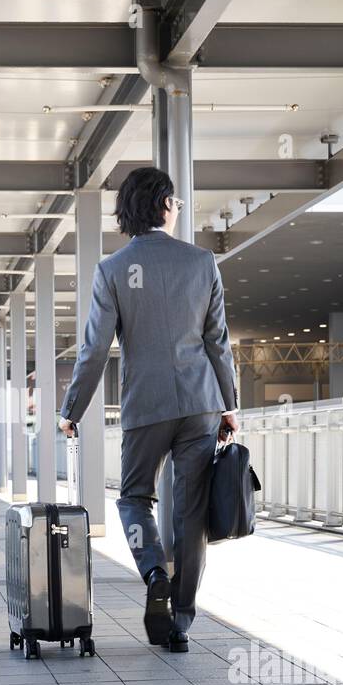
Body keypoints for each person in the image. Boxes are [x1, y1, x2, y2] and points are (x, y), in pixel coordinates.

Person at [58, 166, 237, 654]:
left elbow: (94, 350)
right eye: (176, 203)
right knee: (192, 511)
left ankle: (154, 570)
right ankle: (180, 619)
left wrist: (72, 408)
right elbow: (217, 341)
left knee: (135, 497)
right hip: (201, 403)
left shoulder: (113, 270)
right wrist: (229, 405)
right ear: (163, 205)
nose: (177, 210)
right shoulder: (202, 262)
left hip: (146, 406)